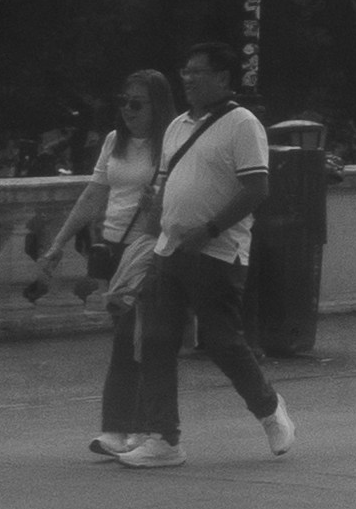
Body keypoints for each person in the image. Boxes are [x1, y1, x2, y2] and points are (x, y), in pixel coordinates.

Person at [141, 40, 298, 459]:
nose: (188, 79)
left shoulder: (243, 124)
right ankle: (164, 438)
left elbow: (257, 188)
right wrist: (154, 222)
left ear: (223, 78)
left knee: (222, 342)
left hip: (217, 252)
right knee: (156, 340)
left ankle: (269, 410)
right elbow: (165, 182)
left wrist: (209, 229)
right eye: (186, 71)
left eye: (198, 72)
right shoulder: (177, 126)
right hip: (169, 249)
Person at [58, 66, 176, 464]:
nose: (127, 110)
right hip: (113, 249)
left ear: (157, 106)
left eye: (137, 103)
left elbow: (178, 199)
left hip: (145, 249)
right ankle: (125, 427)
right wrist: (58, 242)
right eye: (123, 102)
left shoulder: (170, 145)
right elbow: (93, 194)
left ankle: (132, 428)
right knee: (128, 339)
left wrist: (157, 211)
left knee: (135, 338)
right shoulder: (115, 140)